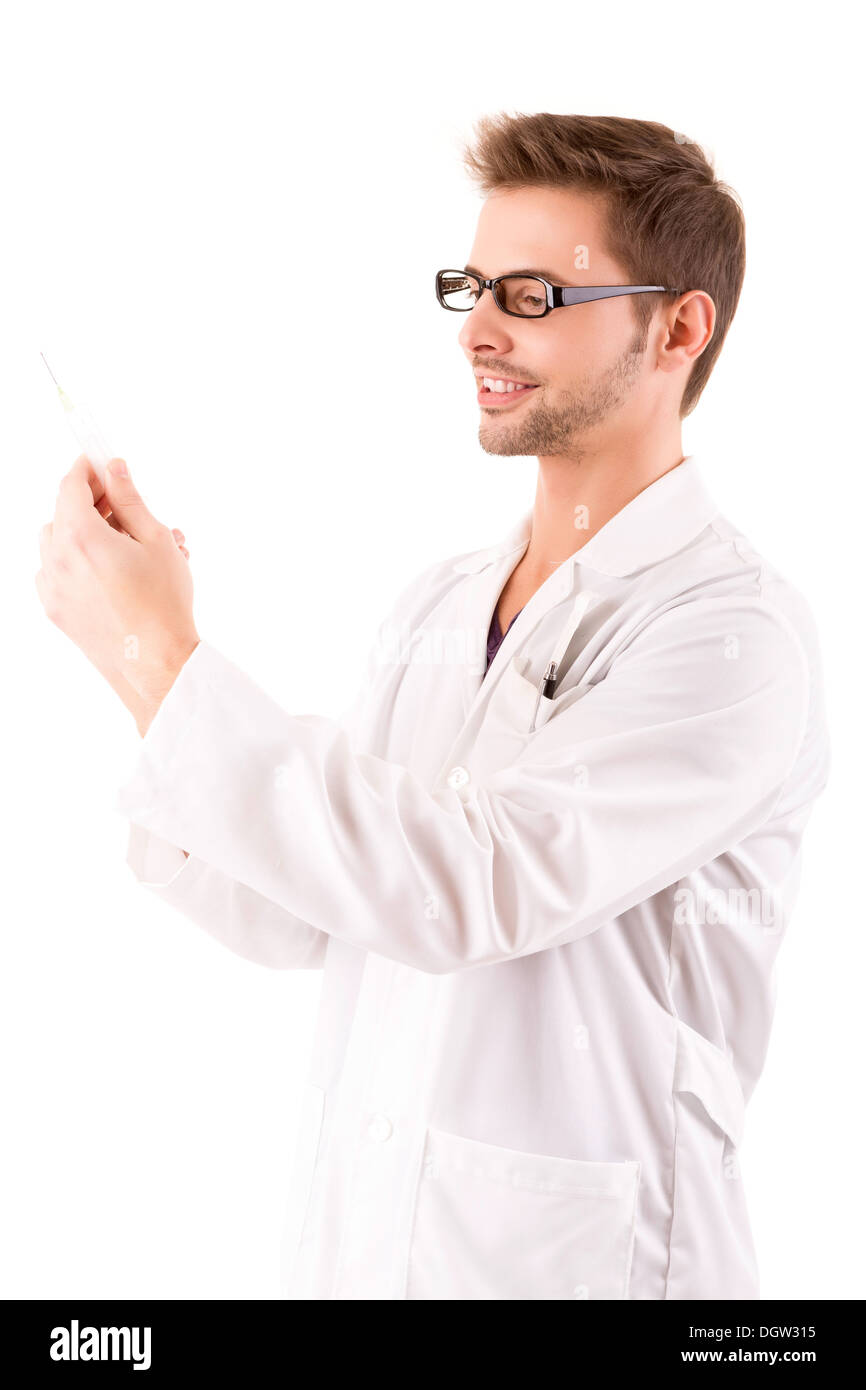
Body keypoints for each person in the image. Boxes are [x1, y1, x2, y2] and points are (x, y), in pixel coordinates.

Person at [36, 112, 830, 1301]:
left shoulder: (733, 637)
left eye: (533, 293)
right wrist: (130, 659)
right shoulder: (445, 600)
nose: (480, 329)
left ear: (677, 327)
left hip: (598, 1269)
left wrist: (166, 653)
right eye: (473, 285)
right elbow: (318, 911)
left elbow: (472, 884)